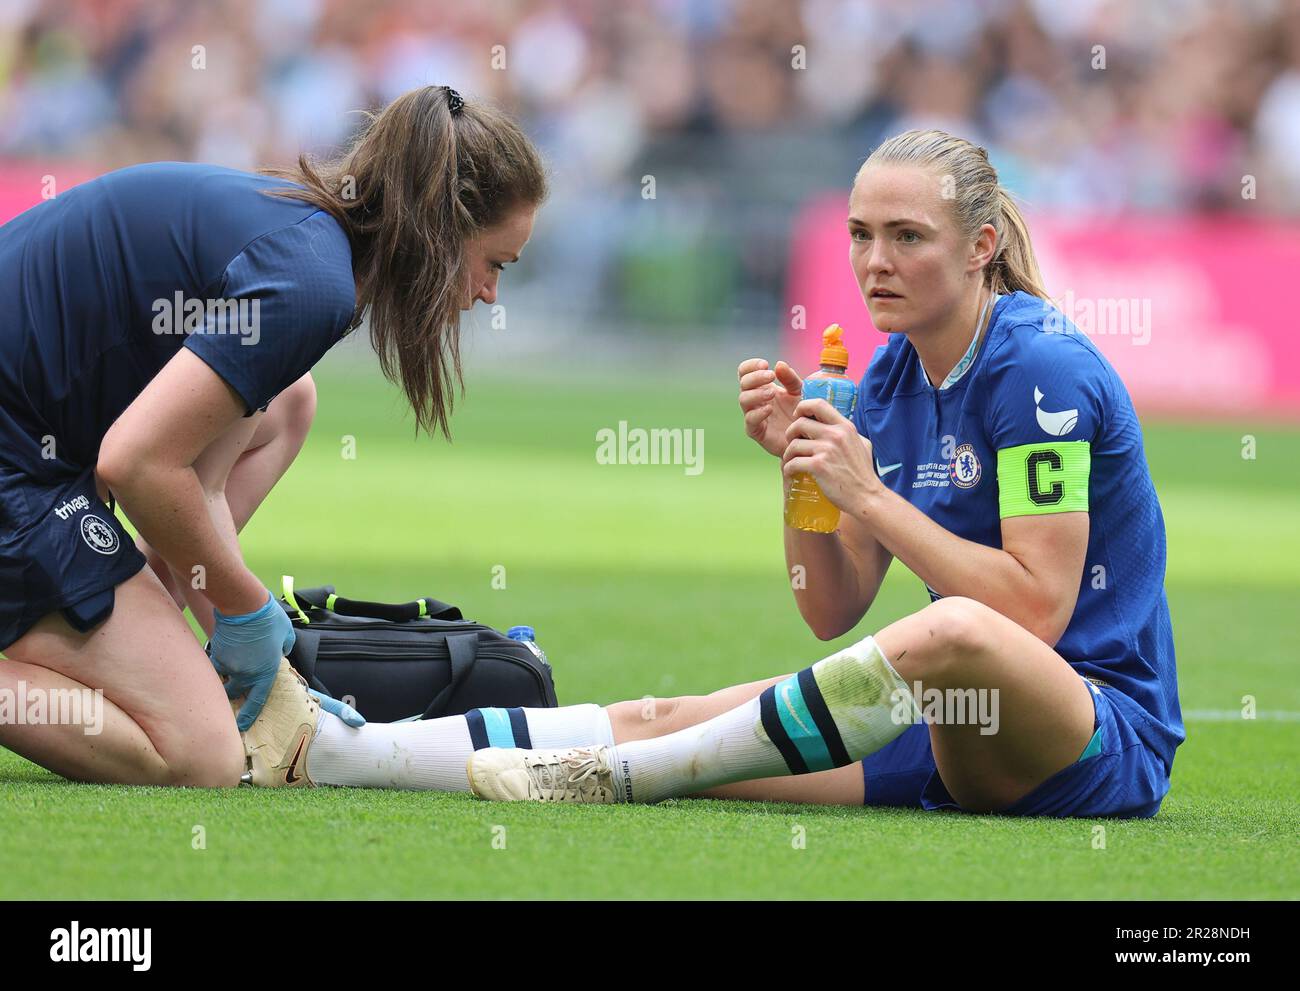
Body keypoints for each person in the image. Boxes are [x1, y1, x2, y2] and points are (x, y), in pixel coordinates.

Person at [463, 129, 1185, 816]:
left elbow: (1033, 610)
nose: (876, 260)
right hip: (951, 718)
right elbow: (830, 609)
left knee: (952, 626)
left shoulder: (1041, 366)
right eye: (860, 234)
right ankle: (369, 748)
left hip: (1095, 737)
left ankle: (618, 781)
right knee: (668, 720)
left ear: (980, 247)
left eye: (907, 236)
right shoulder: (888, 381)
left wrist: (868, 494)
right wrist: (803, 468)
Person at [0, 85, 547, 787]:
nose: (489, 294)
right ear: (440, 229)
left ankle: (140, 619)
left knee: (288, 402)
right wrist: (248, 609)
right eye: (495, 263)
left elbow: (198, 472)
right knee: (202, 754)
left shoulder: (307, 231)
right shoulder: (311, 284)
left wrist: (233, 628)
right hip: (20, 459)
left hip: (37, 433)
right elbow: (136, 461)